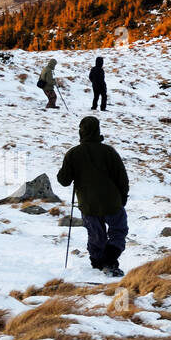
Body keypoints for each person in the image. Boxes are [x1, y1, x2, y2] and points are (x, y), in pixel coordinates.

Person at [57, 115, 129, 278]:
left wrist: (66, 169)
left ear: (81, 132)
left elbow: (64, 181)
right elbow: (122, 178)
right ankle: (110, 260)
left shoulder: (73, 154)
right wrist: (123, 197)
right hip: (112, 202)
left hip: (88, 204)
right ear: (98, 130)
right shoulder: (109, 152)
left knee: (96, 235)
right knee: (118, 231)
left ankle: (97, 263)